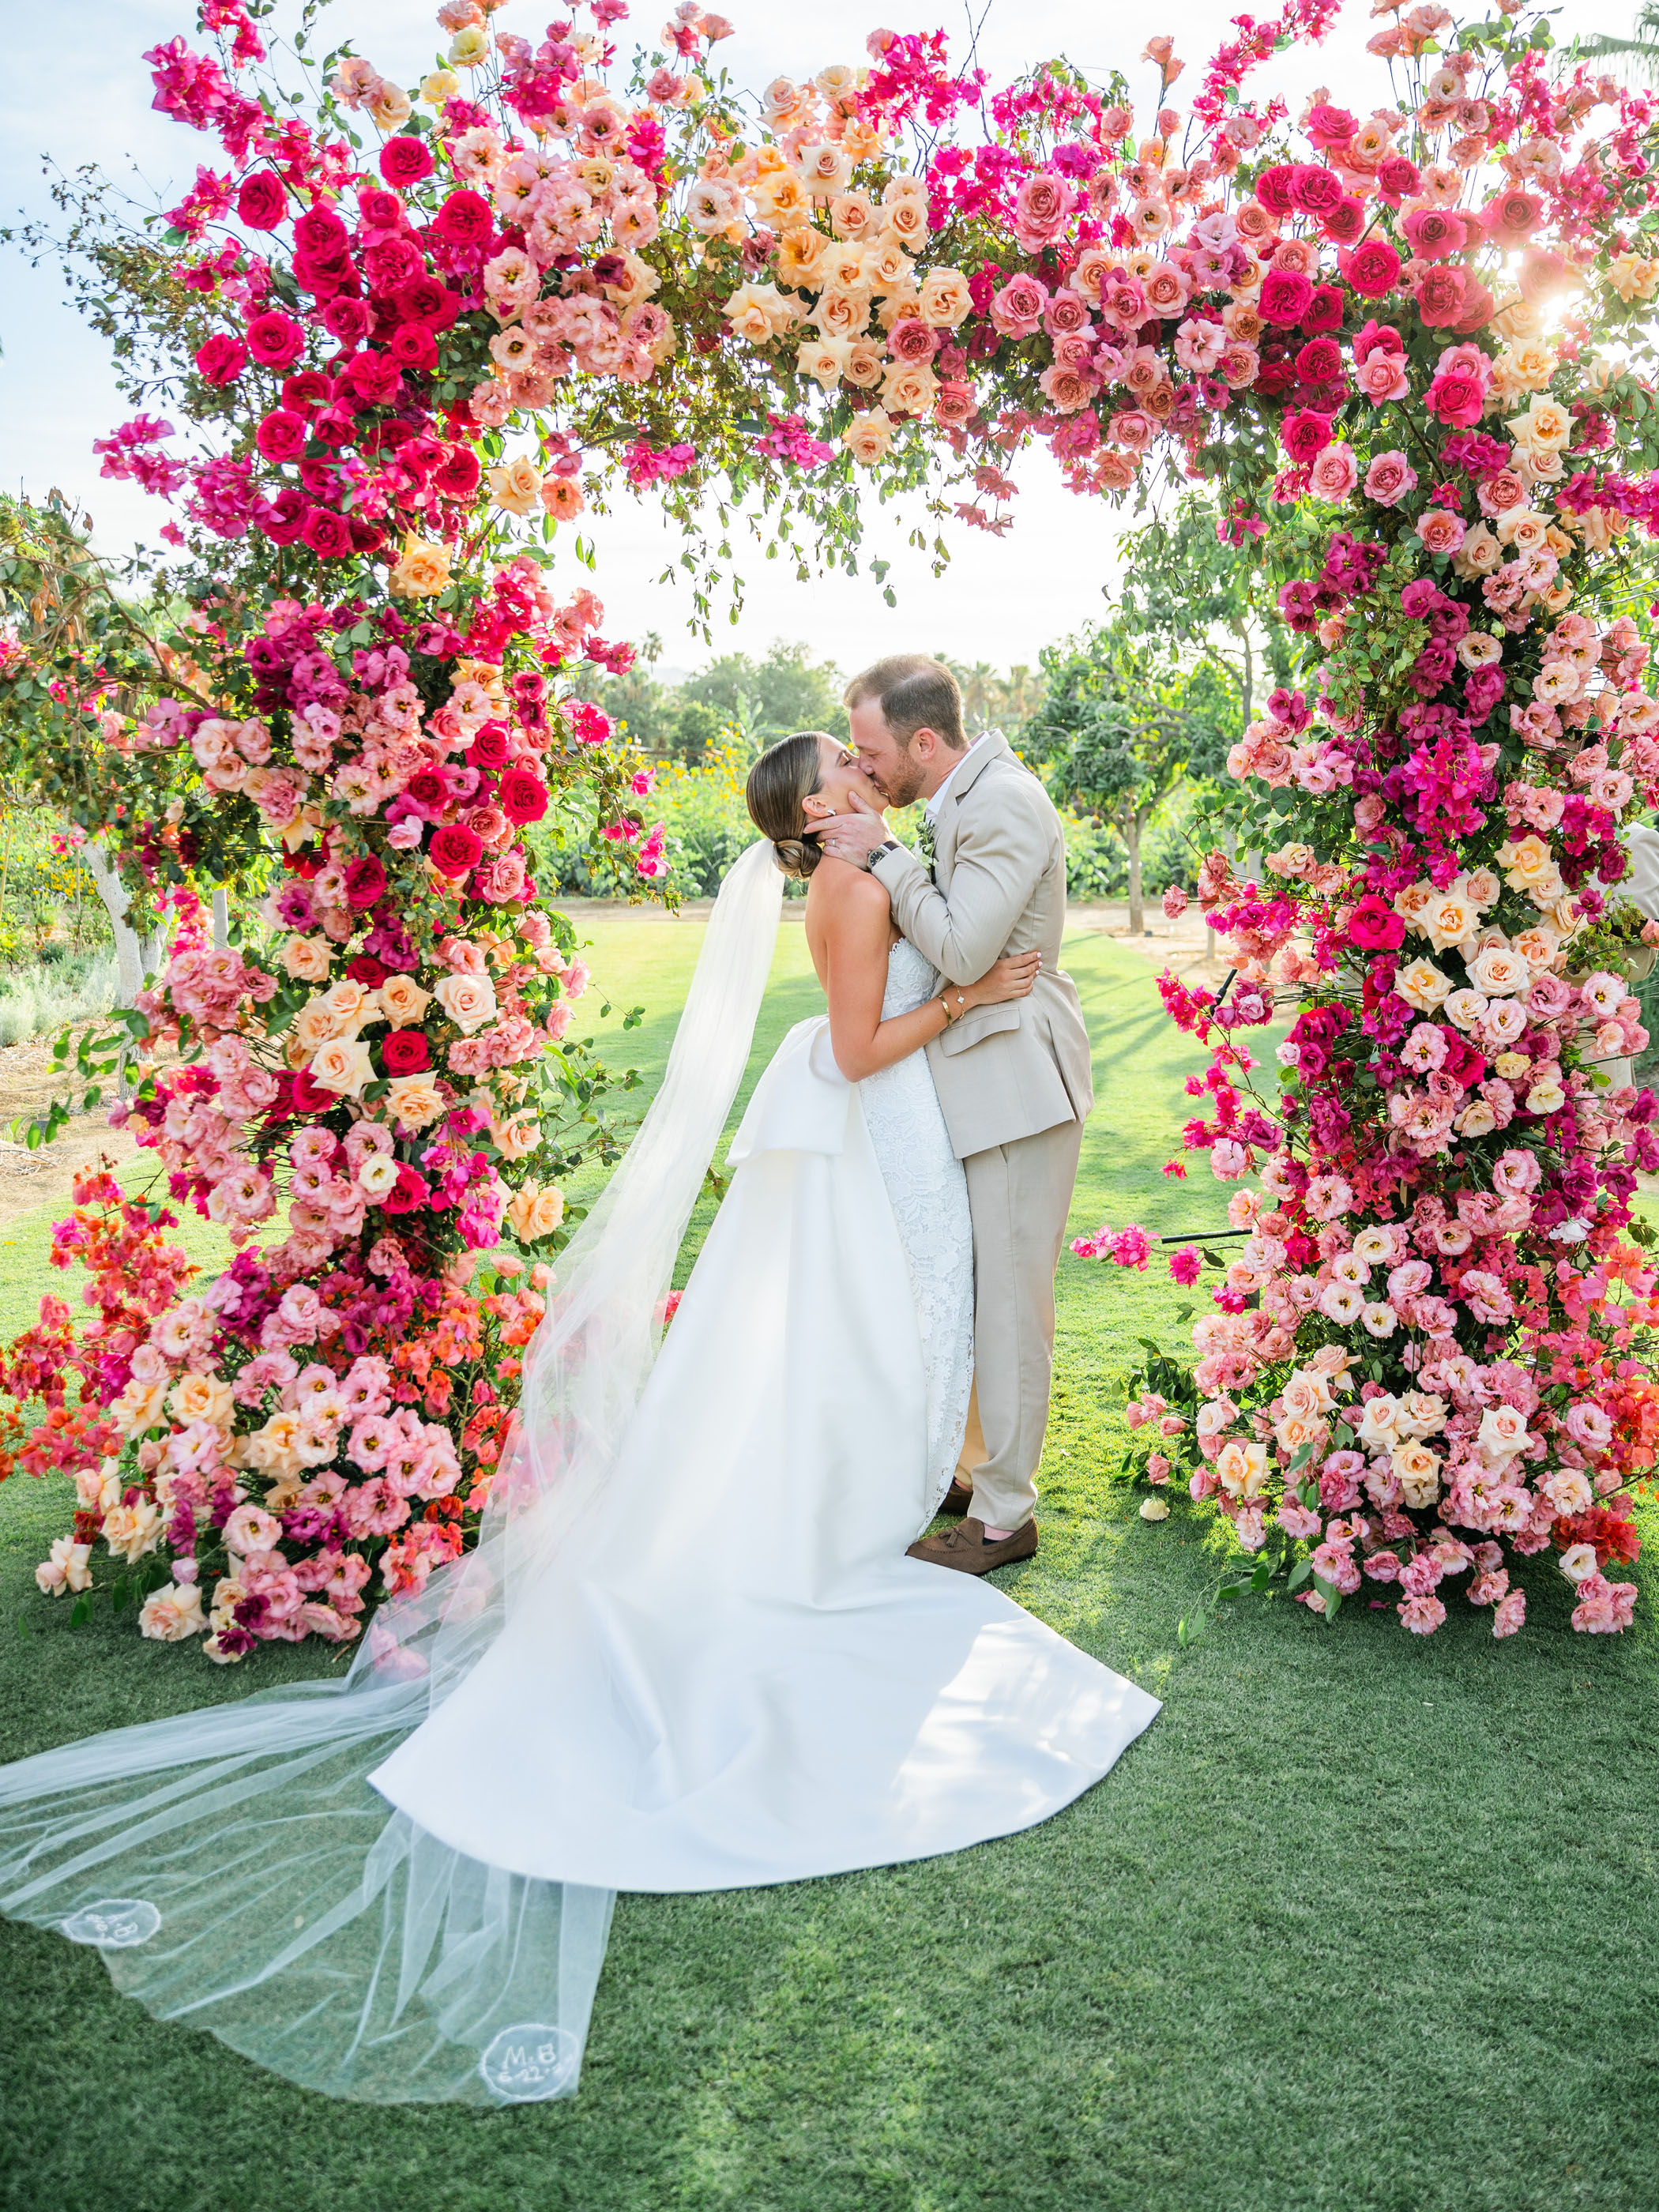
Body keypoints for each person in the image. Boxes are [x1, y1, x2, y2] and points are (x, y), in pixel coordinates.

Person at [0, 753, 1157, 2109]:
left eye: (857, 759)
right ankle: (818, 1530)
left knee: (875, 1349)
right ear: (809, 819)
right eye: (840, 771)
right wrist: (965, 995)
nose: (858, 773)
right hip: (872, 1129)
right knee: (856, 1350)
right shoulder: (849, 881)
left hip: (891, 1143)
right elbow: (852, 1049)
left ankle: (852, 1506)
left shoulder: (869, 867)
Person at [816, 656, 1093, 1575]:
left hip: (1017, 1077)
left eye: (871, 750)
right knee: (984, 1292)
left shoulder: (1003, 801)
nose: (865, 769)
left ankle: (1007, 1516)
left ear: (924, 742)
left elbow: (969, 947)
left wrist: (888, 859)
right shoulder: (958, 802)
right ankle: (974, 1473)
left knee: (1013, 1303)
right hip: (979, 1072)